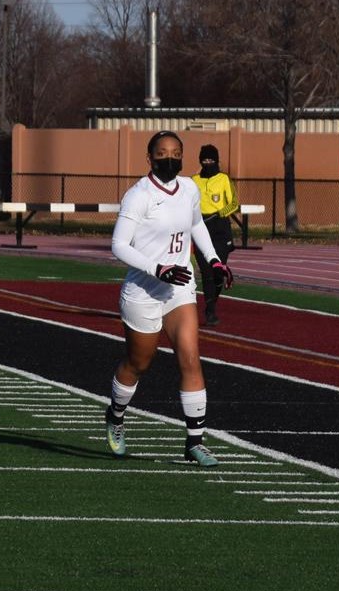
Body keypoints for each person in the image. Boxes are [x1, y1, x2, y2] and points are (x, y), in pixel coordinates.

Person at [104, 130, 233, 467]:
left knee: (190, 359)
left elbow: (196, 225)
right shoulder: (139, 195)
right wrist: (156, 268)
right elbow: (119, 245)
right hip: (143, 290)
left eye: (176, 152)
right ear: (150, 158)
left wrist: (215, 259)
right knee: (138, 363)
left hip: (179, 287)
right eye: (163, 153)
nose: (170, 158)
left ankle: (195, 442)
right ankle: (116, 415)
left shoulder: (189, 188)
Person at [193, 144, 239, 327]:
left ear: (216, 161)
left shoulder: (224, 179)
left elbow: (234, 203)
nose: (208, 163)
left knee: (219, 271)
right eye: (204, 160)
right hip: (200, 228)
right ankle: (210, 309)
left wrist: (221, 213)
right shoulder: (193, 180)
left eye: (211, 160)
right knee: (206, 271)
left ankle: (214, 301)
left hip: (220, 229)